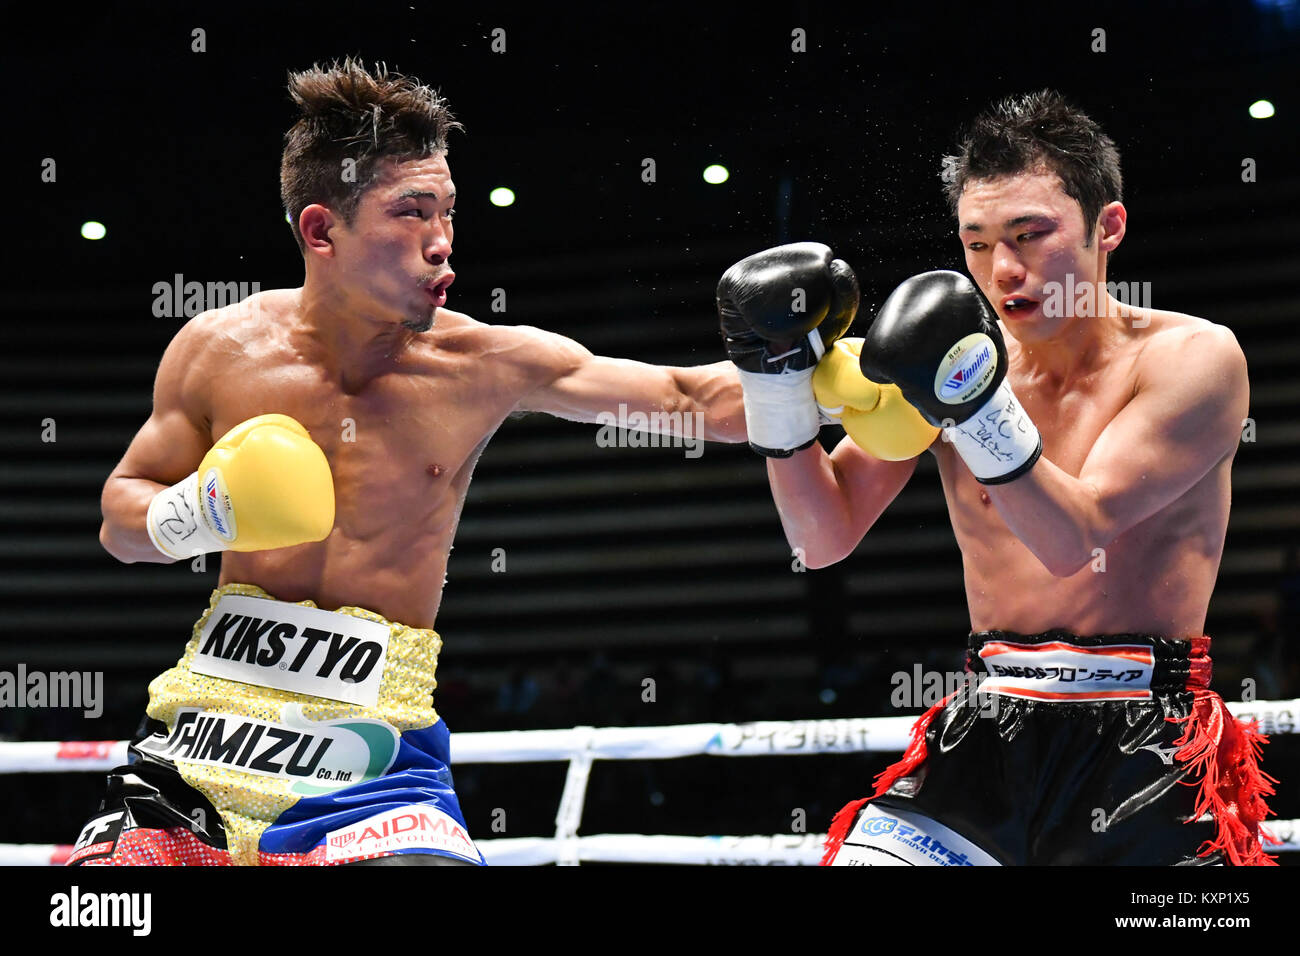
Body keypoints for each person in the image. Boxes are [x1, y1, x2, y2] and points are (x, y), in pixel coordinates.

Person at [67, 58, 748, 867]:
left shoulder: (484, 362)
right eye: (412, 213)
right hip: (202, 736)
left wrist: (834, 369)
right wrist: (202, 512)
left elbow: (690, 397)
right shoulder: (218, 351)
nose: (442, 241)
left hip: (373, 749)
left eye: (449, 213)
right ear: (321, 231)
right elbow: (121, 519)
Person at [721, 90, 1276, 865]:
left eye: (1030, 235)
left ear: (1107, 226)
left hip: (1146, 741)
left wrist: (974, 407)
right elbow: (820, 537)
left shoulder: (1194, 359)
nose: (1001, 269)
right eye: (976, 243)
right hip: (989, 728)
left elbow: (1072, 536)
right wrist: (775, 387)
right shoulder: (952, 362)